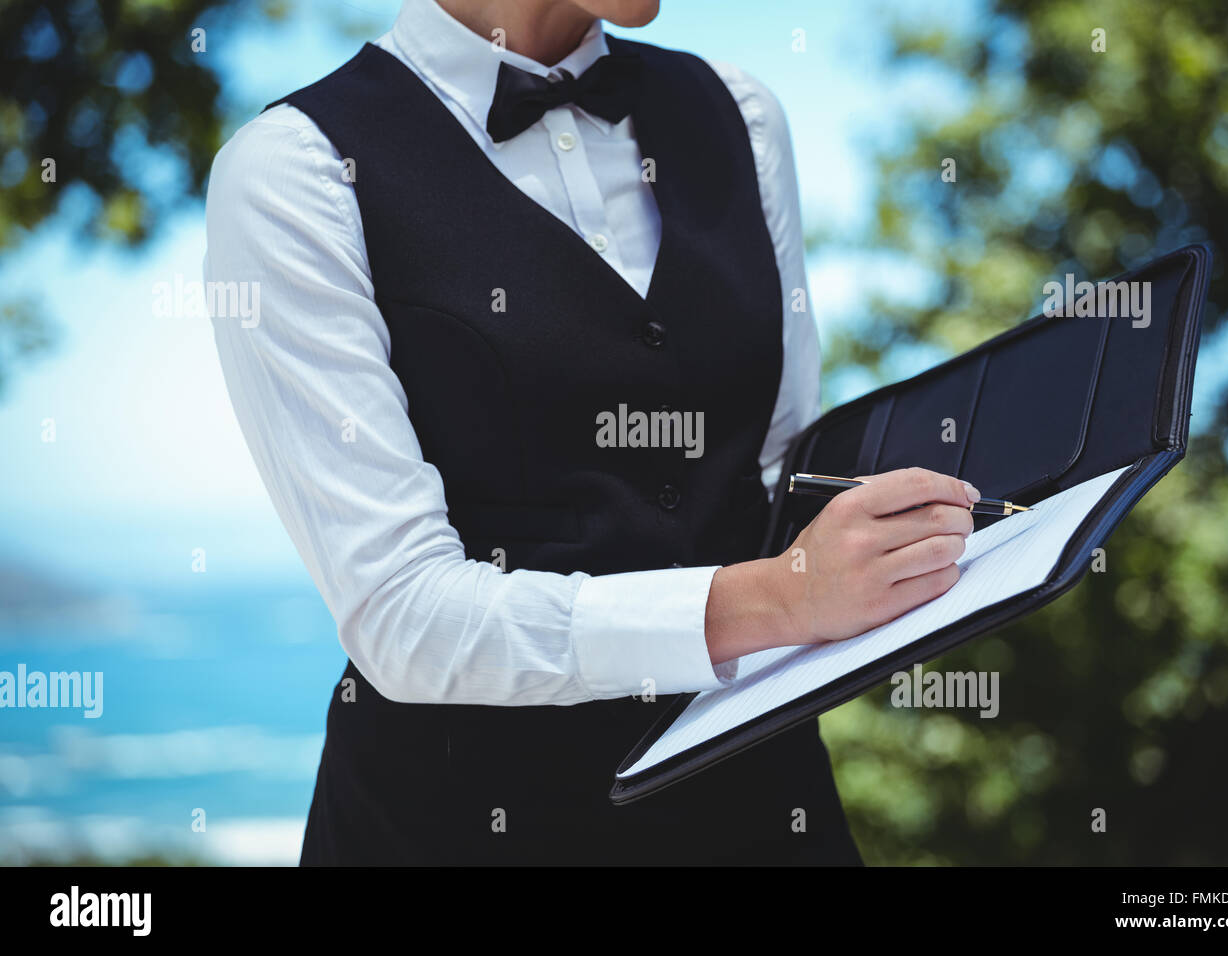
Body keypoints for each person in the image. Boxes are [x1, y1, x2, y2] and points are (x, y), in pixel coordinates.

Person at [204, 0, 979, 865]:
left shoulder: (742, 114)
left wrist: (941, 528)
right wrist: (782, 599)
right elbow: (404, 616)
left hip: (765, 814)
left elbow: (779, 468)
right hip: (460, 832)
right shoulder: (295, 173)